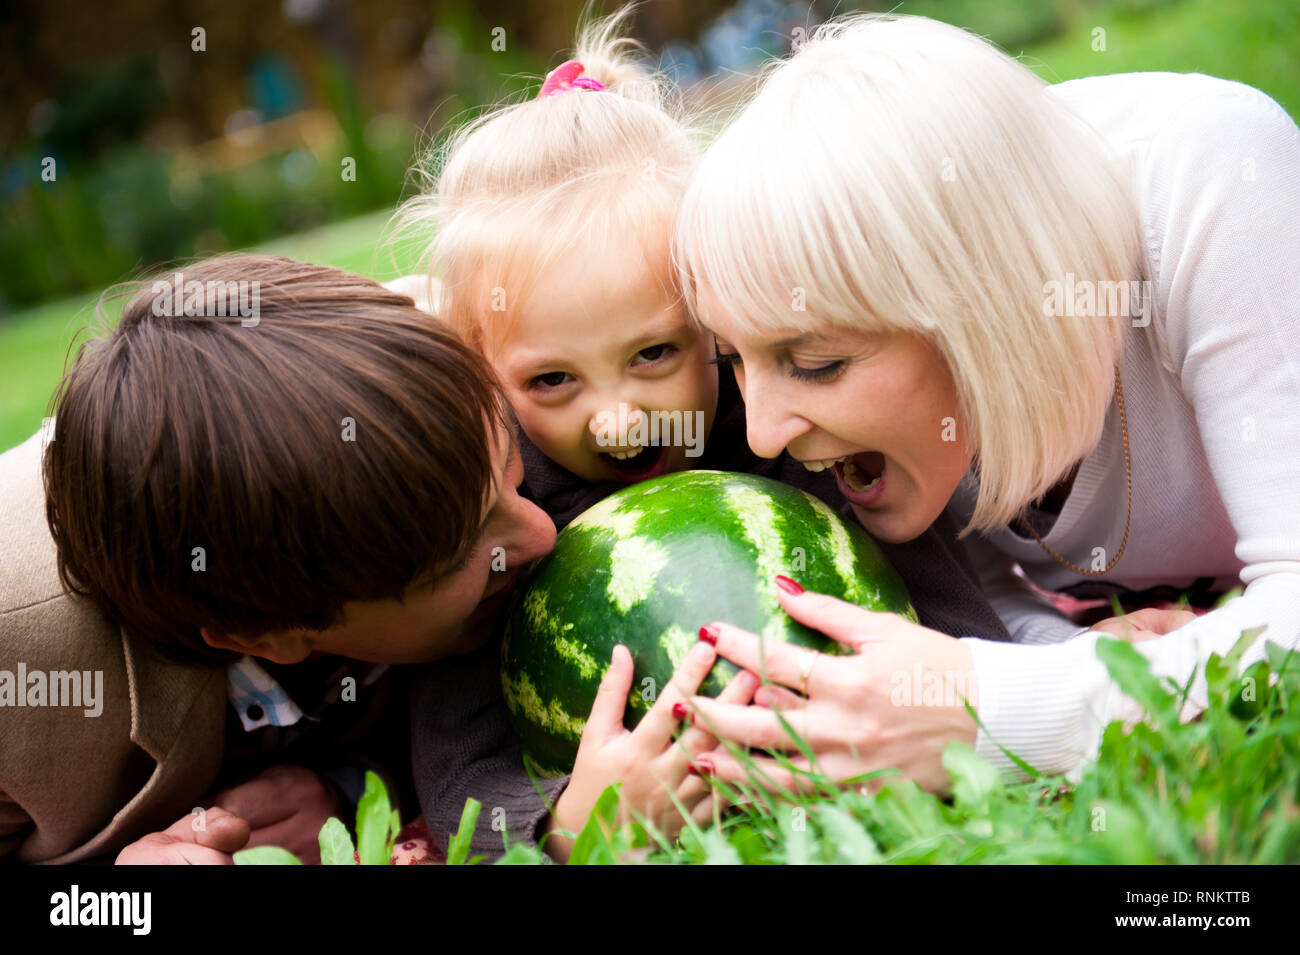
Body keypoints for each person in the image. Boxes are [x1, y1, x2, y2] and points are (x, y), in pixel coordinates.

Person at [403, 8, 1023, 861]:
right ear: (487, 373)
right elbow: (456, 759)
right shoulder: (501, 512)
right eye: (552, 380)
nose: (617, 418)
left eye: (654, 353)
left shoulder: (773, 425)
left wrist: (976, 696)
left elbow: (929, 595)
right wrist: (564, 821)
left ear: (712, 321)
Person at [671, 15, 1300, 790]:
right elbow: (987, 594)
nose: (764, 433)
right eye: (732, 359)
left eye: (816, 362)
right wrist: (1090, 663)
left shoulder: (1212, 178)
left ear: (986, 311)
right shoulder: (892, 432)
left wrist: (996, 711)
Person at [0, 254, 556, 863]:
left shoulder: (462, 361)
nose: (541, 533)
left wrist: (352, 793)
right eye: (453, 560)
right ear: (264, 635)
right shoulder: (21, 674)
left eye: (508, 467)